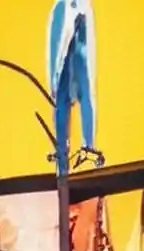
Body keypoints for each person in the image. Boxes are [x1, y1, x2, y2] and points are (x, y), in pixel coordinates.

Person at [48, 0, 97, 153]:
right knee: (78, 98)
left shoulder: (71, 7)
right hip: (76, 59)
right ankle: (84, 145)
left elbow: (63, 38)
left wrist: (55, 75)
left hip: (75, 60)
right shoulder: (68, 7)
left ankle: (78, 145)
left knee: (66, 100)